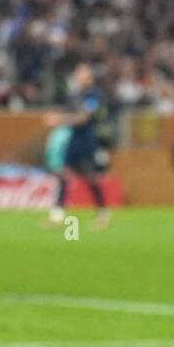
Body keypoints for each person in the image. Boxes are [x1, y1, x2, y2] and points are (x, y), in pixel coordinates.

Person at [46, 63, 110, 229]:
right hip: (73, 139)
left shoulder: (94, 95)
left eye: (84, 73)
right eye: (79, 73)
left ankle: (103, 213)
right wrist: (58, 116)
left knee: (91, 177)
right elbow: (69, 113)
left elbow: (84, 118)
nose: (81, 76)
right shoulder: (73, 95)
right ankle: (57, 215)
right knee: (63, 174)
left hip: (87, 139)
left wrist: (59, 120)